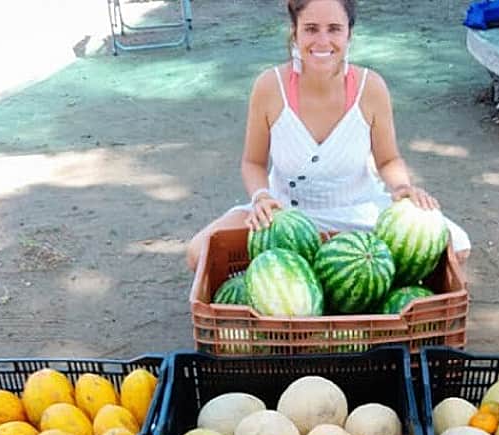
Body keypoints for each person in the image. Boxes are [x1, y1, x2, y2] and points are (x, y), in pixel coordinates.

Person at [185, 0, 470, 271]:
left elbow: (388, 159)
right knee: (199, 253)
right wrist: (261, 197)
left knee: (456, 246)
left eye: (334, 29)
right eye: (311, 29)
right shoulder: (269, 86)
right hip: (284, 217)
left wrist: (402, 188)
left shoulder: (371, 87)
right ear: (294, 32)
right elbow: (253, 163)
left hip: (360, 212)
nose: (323, 41)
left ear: (349, 33)